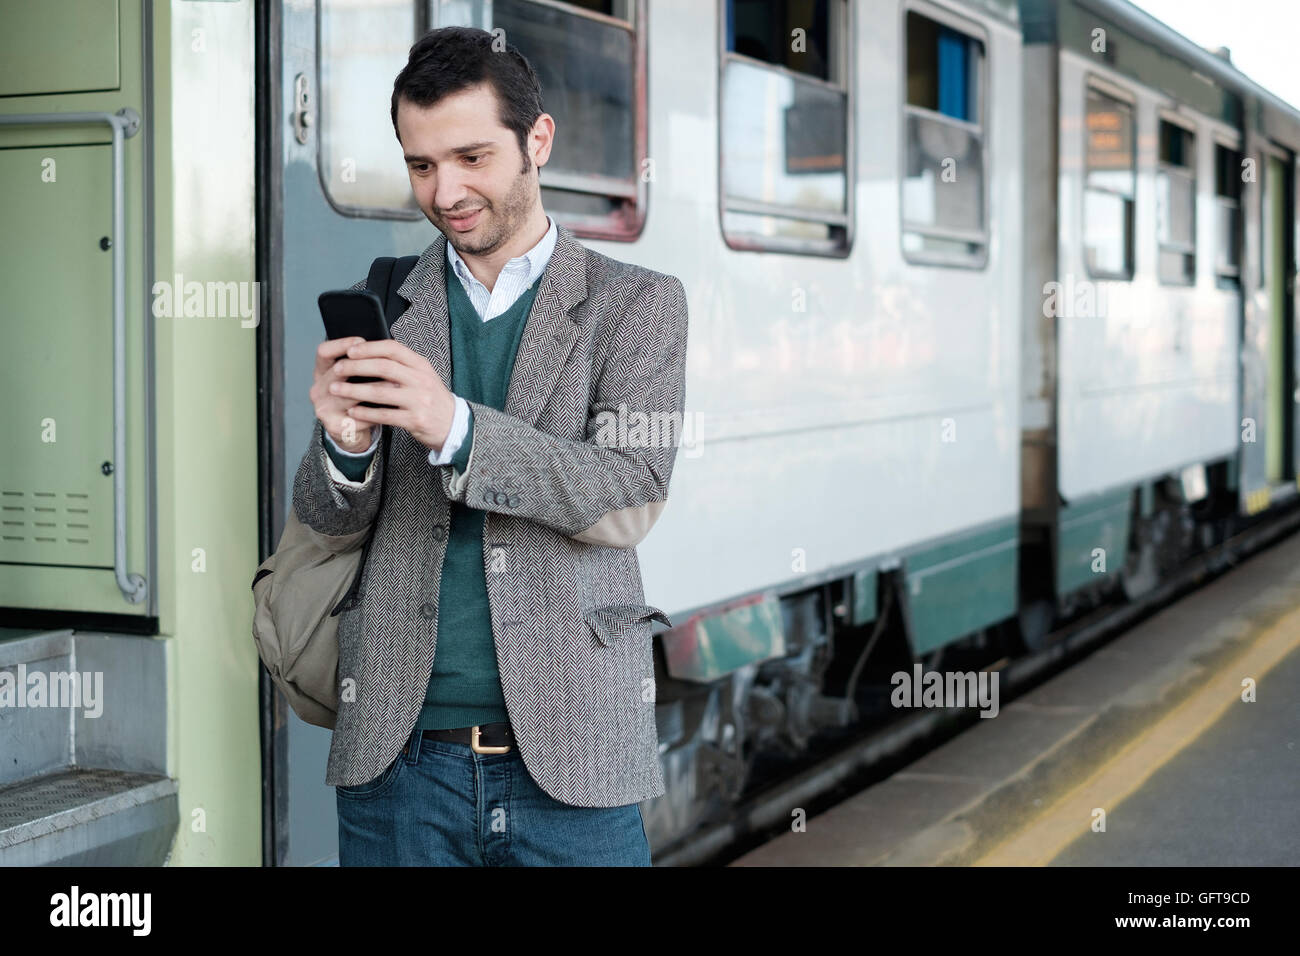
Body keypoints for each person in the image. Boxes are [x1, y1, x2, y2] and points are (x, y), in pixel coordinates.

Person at [291, 25, 688, 866]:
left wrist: (456, 427)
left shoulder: (637, 306)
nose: (446, 191)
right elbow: (325, 516)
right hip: (399, 762)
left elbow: (628, 493)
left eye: (472, 157)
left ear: (536, 141)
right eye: (422, 165)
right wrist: (345, 446)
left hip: (572, 761)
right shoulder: (386, 297)